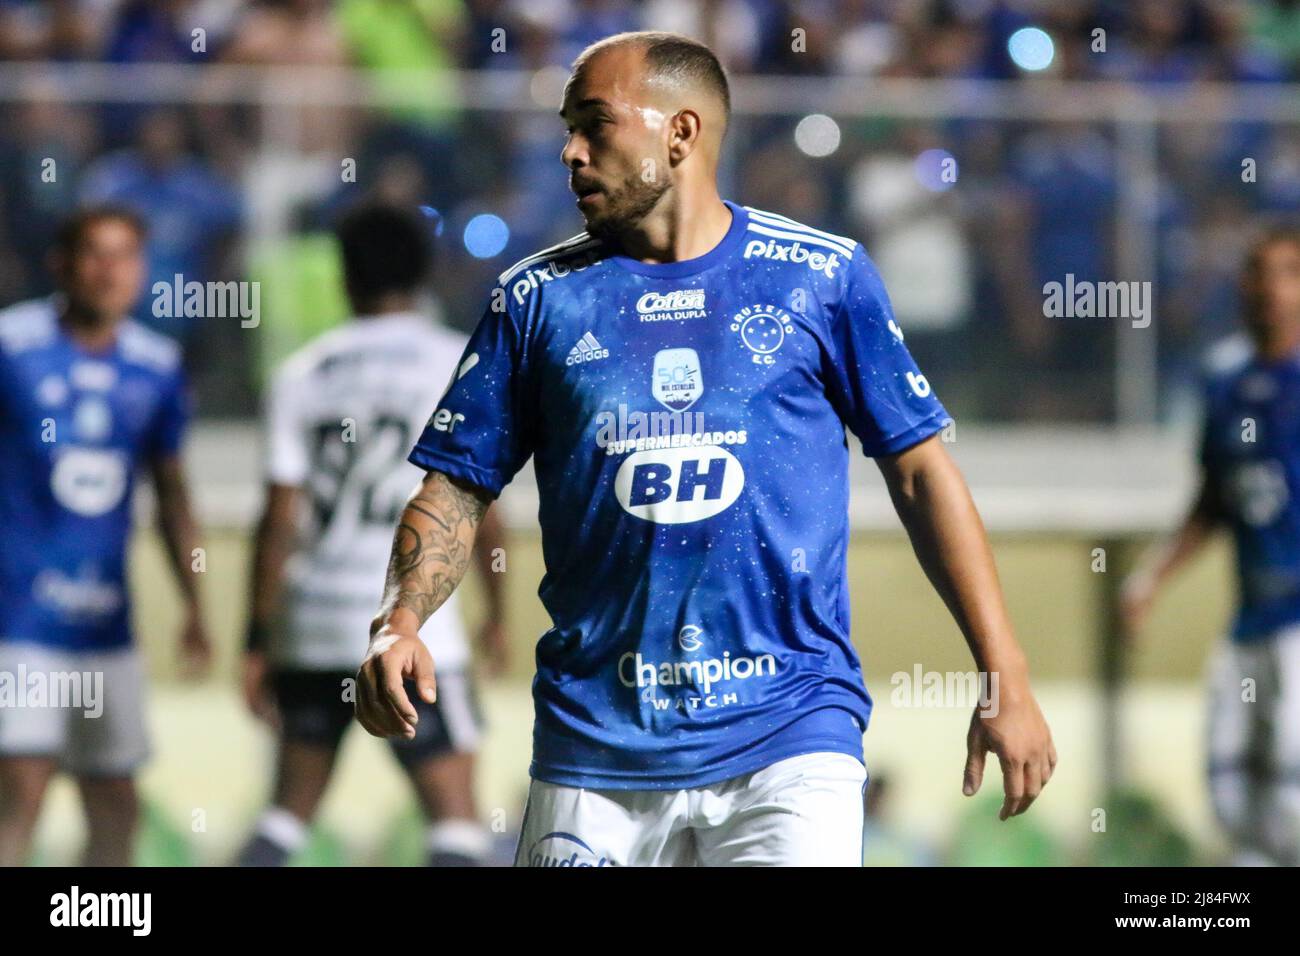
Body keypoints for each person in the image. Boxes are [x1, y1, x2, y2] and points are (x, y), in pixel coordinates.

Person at [356, 30, 1055, 867]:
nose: (571, 154)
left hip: (791, 736)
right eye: (566, 131)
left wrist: (1001, 670)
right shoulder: (535, 300)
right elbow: (457, 489)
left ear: (680, 134)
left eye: (595, 125)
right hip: (596, 744)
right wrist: (398, 621)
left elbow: (920, 472)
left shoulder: (820, 278)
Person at [236, 202, 507, 867]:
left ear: (344, 277)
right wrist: (498, 610)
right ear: (424, 272)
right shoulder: (455, 362)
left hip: (314, 619)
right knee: (456, 822)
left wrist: (257, 636)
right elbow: (475, 500)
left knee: (285, 817)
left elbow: (276, 517)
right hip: (418, 627)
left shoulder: (302, 374)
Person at [0, 205, 209, 866]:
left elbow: (171, 491)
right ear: (62, 263)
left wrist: (195, 605)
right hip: (19, 622)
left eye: (125, 256)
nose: (110, 270)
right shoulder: (11, 345)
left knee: (116, 800)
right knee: (20, 793)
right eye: (95, 252)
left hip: (105, 629)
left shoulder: (156, 364)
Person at [1123, 225, 1300, 866]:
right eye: (1259, 270)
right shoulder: (1226, 386)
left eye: (1288, 271)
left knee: (1288, 782)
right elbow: (1213, 501)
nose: (1272, 287)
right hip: (1252, 616)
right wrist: (1149, 579)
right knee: (1229, 784)